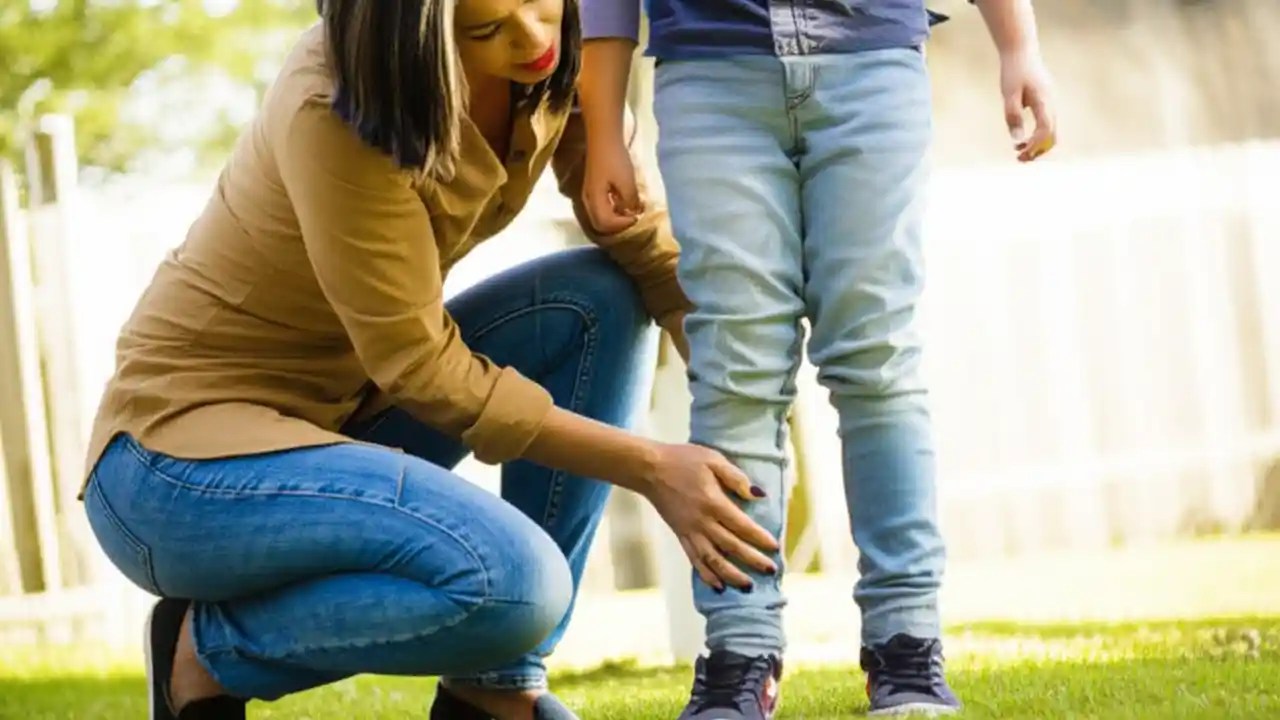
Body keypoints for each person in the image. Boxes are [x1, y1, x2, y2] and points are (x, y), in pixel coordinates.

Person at [77, 0, 781, 718]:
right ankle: (206, 650)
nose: (536, 38)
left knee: (595, 303)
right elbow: (419, 365)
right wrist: (652, 467)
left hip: (349, 419)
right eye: (486, 30)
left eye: (540, 2)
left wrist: (744, 399)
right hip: (177, 469)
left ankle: (494, 693)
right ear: (417, 34)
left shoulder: (551, 57)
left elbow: (649, 250)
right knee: (514, 581)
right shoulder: (335, 106)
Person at [575, 0, 1059, 716]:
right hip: (711, 75)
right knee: (735, 369)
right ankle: (739, 652)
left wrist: (1019, 43)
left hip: (872, 61)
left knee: (877, 360)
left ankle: (907, 647)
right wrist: (605, 120)